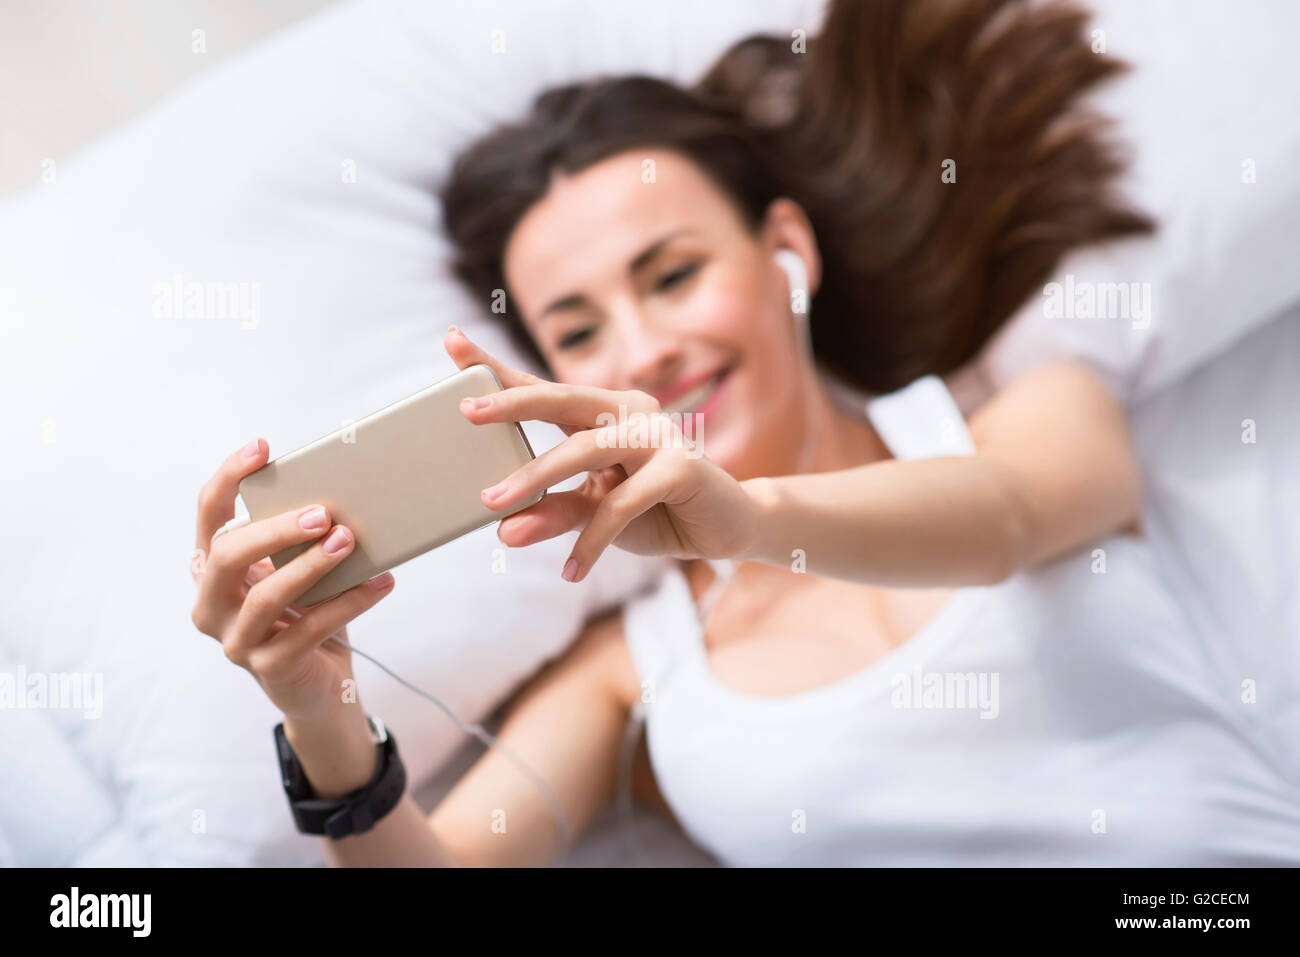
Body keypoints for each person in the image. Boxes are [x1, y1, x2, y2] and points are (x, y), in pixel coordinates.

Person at [189, 0, 1300, 865]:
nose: (642, 351)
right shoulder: (635, 678)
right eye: (578, 331)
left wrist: (752, 515)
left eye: (671, 275)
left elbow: (1005, 523)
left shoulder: (1018, 416)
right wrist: (319, 708)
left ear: (787, 253)